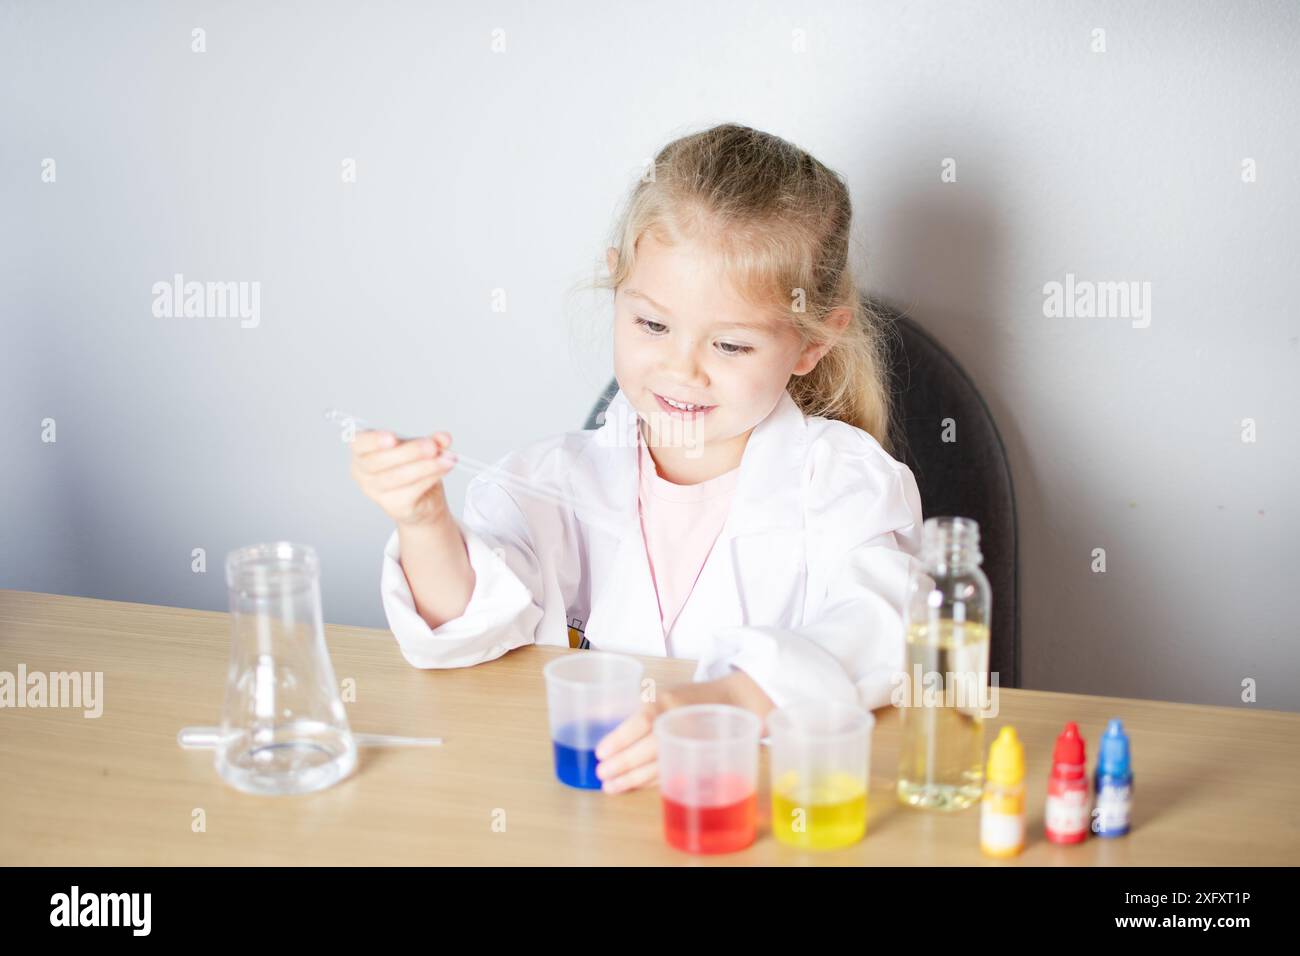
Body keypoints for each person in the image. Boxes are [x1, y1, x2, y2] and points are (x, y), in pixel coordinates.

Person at [351, 123, 924, 794]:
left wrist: (727, 704)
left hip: (762, 804)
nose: (681, 370)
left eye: (731, 346)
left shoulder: (844, 483)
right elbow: (468, 623)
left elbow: (893, 626)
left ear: (812, 343)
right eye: (653, 325)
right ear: (615, 289)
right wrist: (422, 522)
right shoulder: (556, 479)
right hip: (609, 803)